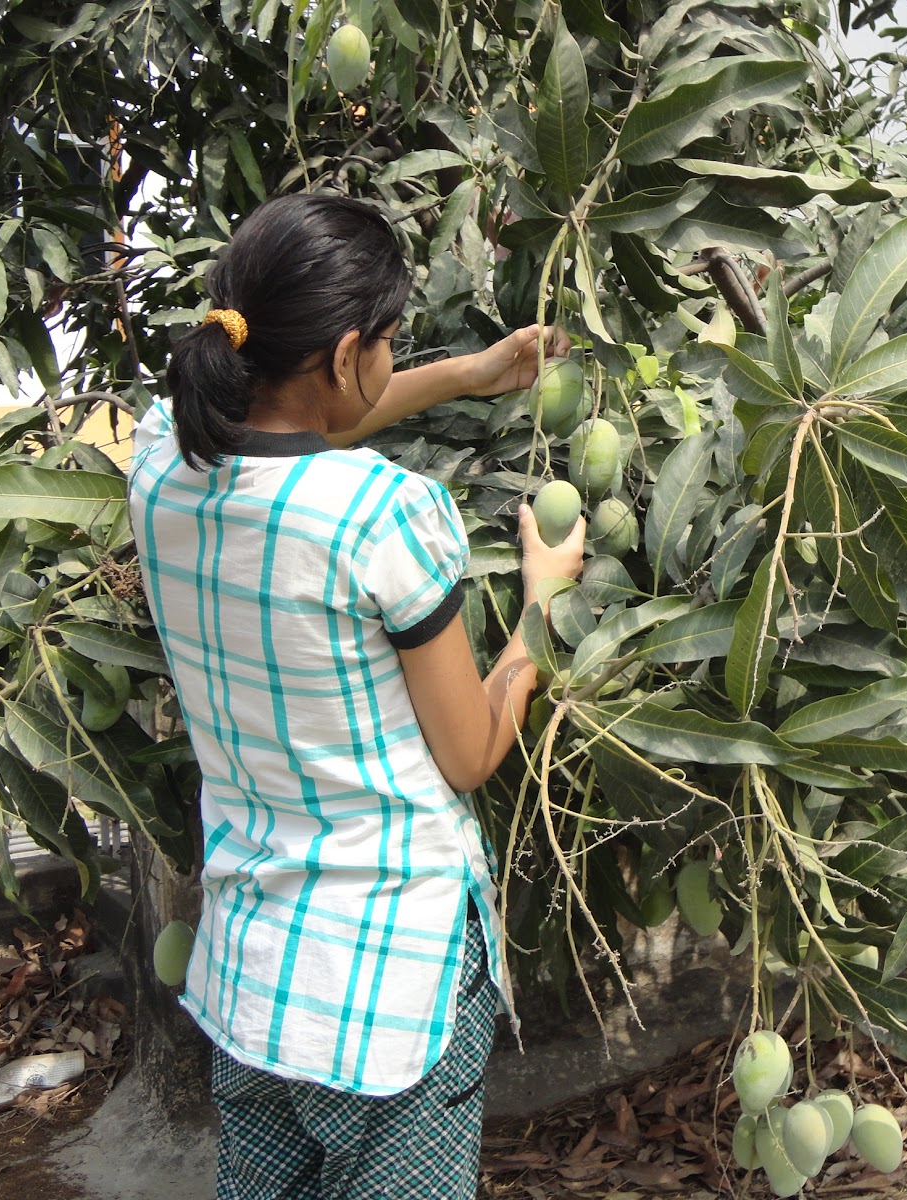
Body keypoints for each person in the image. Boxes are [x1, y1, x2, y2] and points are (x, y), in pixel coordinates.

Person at [126, 191, 584, 1199]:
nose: (393, 354)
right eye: (388, 341)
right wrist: (542, 605)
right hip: (391, 994)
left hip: (254, 983)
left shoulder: (160, 462)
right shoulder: (383, 515)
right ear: (343, 355)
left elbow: (292, 429)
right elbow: (470, 752)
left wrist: (468, 374)